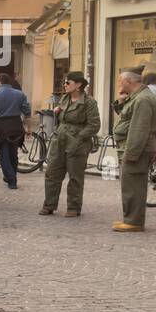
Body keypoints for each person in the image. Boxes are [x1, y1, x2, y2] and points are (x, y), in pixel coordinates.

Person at [39, 71, 99, 218]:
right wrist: (57, 112)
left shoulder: (89, 102)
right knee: (52, 173)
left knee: (75, 177)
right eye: (64, 82)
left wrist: (79, 138)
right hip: (59, 139)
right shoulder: (64, 98)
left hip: (77, 142)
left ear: (78, 85)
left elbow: (94, 125)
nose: (64, 85)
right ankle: (49, 205)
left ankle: (73, 207)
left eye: (68, 82)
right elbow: (62, 117)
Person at [111, 69, 156, 231]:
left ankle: (134, 222)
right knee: (131, 184)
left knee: (134, 186)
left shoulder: (143, 99)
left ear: (129, 81)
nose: (119, 83)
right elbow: (127, 118)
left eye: (120, 80)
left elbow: (139, 129)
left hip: (138, 149)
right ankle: (131, 218)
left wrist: (130, 154)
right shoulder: (137, 97)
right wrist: (121, 101)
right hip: (135, 148)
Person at [0, 72, 31, 189]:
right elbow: (27, 113)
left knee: (4, 154)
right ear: (9, 82)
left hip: (1, 126)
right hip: (15, 125)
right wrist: (28, 129)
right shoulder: (20, 94)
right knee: (13, 154)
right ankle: (11, 176)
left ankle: (11, 180)